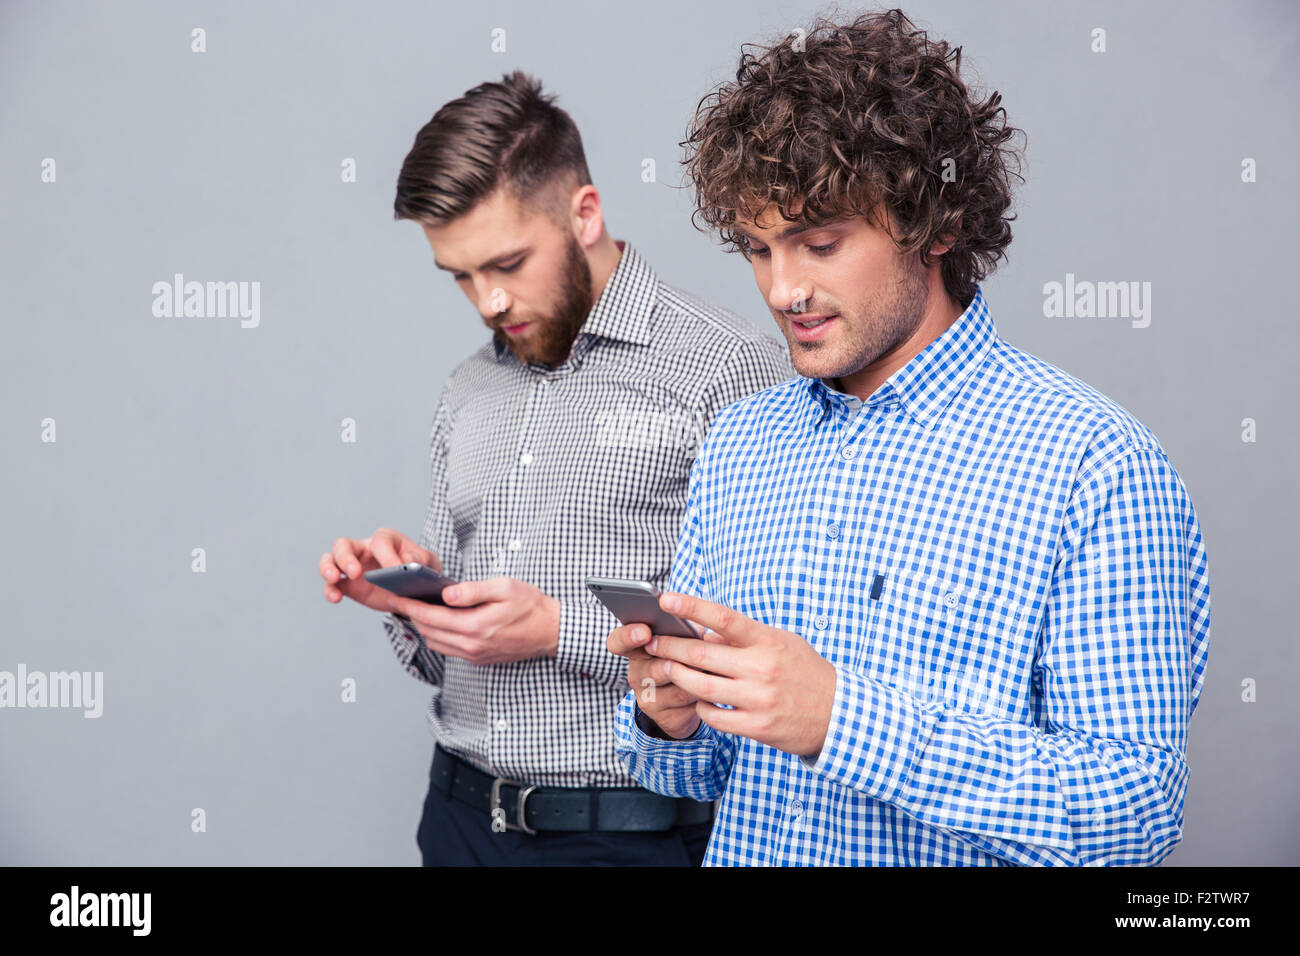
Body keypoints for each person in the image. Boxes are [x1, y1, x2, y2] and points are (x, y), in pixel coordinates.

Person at [607, 9, 1211, 866]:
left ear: (936, 223)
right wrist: (665, 719)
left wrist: (844, 722)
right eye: (757, 249)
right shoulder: (742, 443)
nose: (782, 290)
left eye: (819, 243)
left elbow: (1132, 819)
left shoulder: (1094, 465)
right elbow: (704, 774)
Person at [319, 71, 792, 865]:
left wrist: (555, 628)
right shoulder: (468, 389)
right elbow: (447, 661)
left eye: (506, 263)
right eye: (461, 276)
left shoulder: (728, 367)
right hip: (458, 820)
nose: (488, 302)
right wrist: (409, 596)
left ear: (585, 213)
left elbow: (773, 641)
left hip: (628, 835)